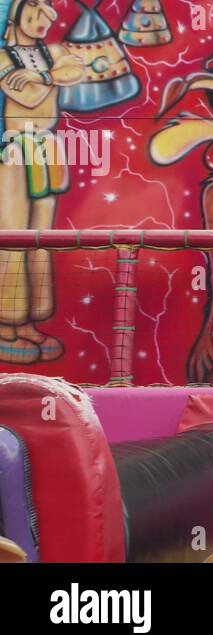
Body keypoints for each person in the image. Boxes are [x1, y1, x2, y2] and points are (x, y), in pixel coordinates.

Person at [0, 0, 84, 364]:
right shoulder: (4, 57)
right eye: (32, 9)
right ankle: (6, 324)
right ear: (15, 12)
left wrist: (42, 75)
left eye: (46, 12)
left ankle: (31, 320)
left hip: (46, 149)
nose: (41, 20)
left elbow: (77, 70)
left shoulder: (47, 53)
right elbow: (26, 94)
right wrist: (52, 76)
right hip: (15, 153)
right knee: (13, 237)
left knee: (41, 241)